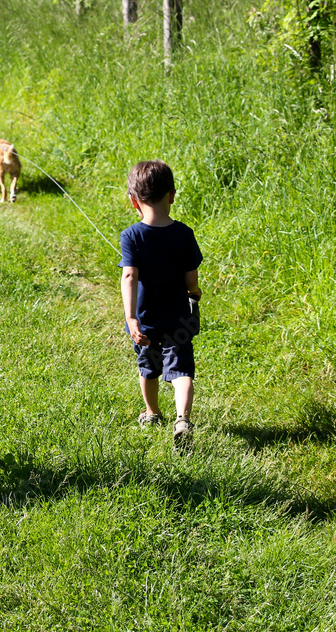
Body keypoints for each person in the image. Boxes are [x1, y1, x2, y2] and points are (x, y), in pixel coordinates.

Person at [119, 160, 202, 452]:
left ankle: (152, 413)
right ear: (172, 195)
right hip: (179, 317)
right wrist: (194, 291)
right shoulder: (184, 233)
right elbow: (190, 277)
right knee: (181, 371)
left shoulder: (132, 236)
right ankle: (183, 420)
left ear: (133, 201)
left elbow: (129, 274)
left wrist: (131, 318)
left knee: (149, 367)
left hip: (145, 320)